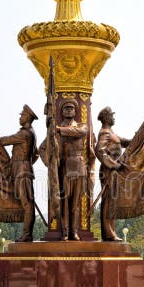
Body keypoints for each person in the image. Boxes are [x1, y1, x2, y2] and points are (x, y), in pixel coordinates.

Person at [0, 105, 39, 241]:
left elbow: (4, 141)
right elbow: (36, 154)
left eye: (22, 115)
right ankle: (27, 234)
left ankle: (27, 235)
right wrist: (27, 163)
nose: (20, 117)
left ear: (27, 118)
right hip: (23, 170)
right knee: (27, 203)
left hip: (22, 173)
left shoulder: (24, 134)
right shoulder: (30, 133)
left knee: (27, 204)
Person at [95, 106, 130, 241]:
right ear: (106, 117)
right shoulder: (105, 132)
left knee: (112, 202)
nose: (113, 117)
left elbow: (124, 142)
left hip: (114, 171)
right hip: (109, 171)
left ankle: (111, 231)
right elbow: (99, 150)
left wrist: (141, 136)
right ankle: (108, 233)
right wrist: (113, 164)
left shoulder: (111, 132)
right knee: (108, 201)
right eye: (112, 115)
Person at [55, 99, 88, 240]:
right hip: (64, 167)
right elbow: (43, 148)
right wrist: (50, 163)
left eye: (71, 108)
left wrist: (58, 130)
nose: (69, 110)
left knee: (76, 203)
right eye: (66, 108)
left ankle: (74, 231)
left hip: (79, 167)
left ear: (75, 111)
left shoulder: (81, 126)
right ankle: (65, 231)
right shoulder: (54, 131)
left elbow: (79, 132)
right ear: (61, 112)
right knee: (64, 202)